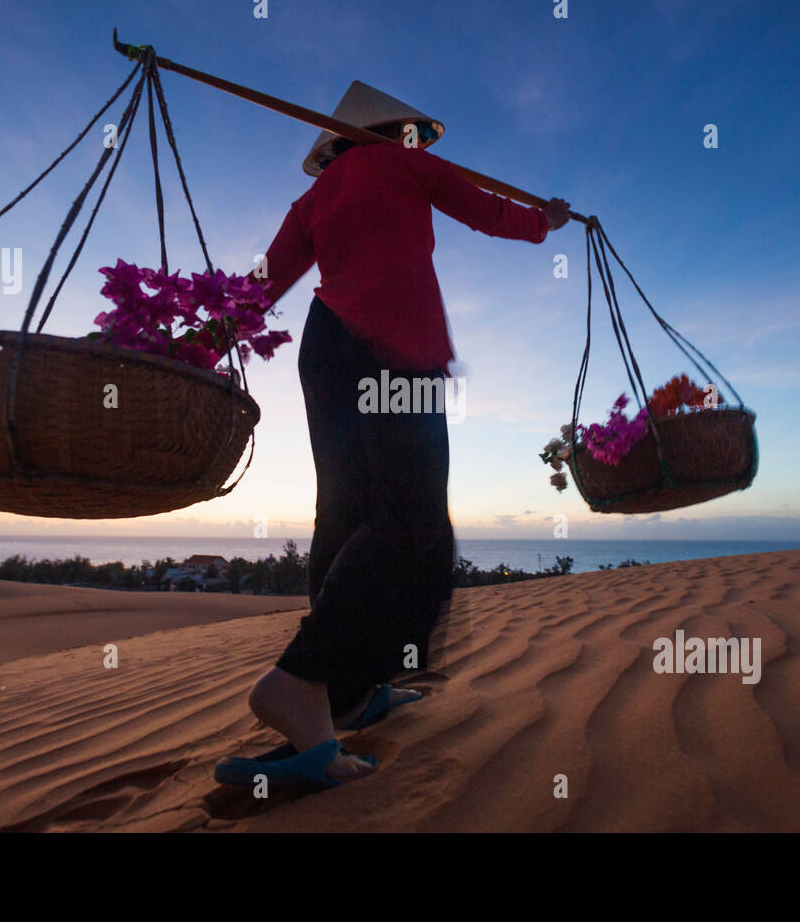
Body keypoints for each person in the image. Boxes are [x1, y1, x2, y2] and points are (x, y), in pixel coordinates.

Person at [214, 80, 570, 790]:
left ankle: (349, 691)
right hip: (394, 345)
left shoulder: (313, 200)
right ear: (393, 133)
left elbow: (257, 292)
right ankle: (302, 681)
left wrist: (192, 345)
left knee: (344, 516)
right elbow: (488, 212)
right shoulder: (407, 163)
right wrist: (547, 221)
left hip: (327, 347)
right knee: (411, 523)